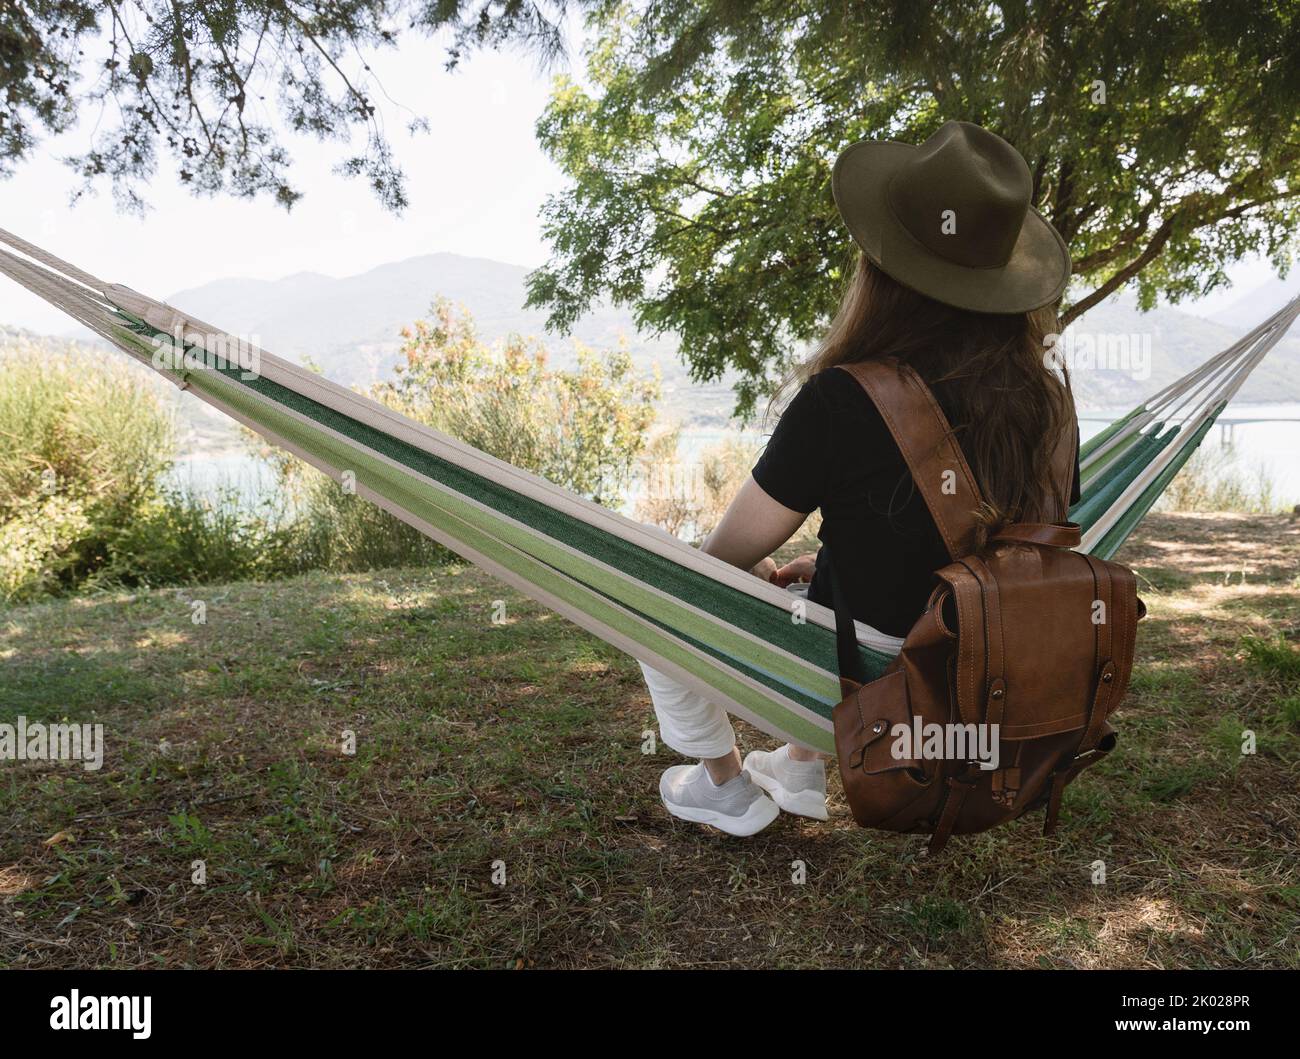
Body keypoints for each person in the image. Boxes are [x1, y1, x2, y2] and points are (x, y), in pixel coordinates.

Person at [644, 120, 1079, 836]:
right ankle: (798, 763)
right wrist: (844, 558)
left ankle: (723, 783)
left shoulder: (844, 399)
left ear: (882, 268)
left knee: (655, 578)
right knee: (836, 578)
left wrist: (760, 573)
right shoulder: (1051, 400)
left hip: (874, 686)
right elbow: (1013, 542)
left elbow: (719, 562)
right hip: (1001, 676)